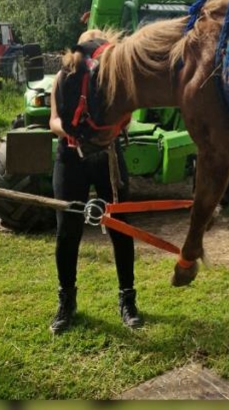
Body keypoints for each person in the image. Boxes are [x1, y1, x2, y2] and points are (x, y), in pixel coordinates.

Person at [48, 30, 142, 334]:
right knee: (67, 231)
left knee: (121, 226)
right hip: (71, 156)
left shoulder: (111, 80)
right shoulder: (63, 79)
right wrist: (72, 130)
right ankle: (67, 301)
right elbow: (53, 121)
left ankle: (128, 300)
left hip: (108, 157)